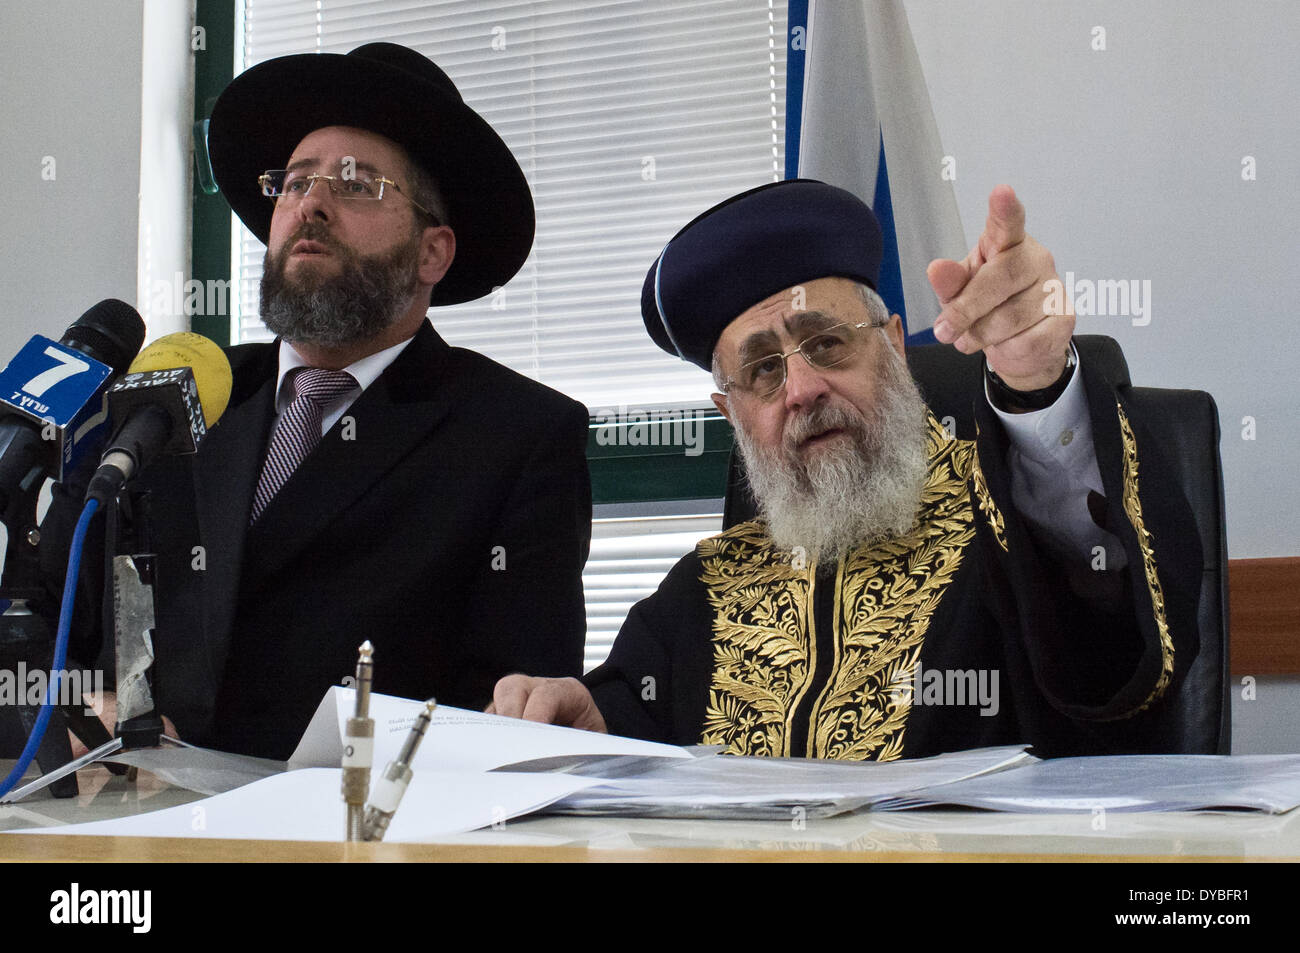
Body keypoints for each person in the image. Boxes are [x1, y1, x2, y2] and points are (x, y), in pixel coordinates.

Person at [491, 178, 1202, 760]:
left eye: (826, 343)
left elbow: (1112, 638)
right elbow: (634, 730)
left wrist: (1039, 386)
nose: (801, 390)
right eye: (763, 370)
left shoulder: (1013, 524)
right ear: (732, 413)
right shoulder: (700, 593)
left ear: (894, 343)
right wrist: (594, 729)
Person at [38, 44, 591, 761]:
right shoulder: (167, 397)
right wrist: (86, 719)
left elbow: (514, 712)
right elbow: (46, 616)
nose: (311, 204)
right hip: (120, 832)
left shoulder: (517, 435)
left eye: (356, 184)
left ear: (433, 253)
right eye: (294, 182)